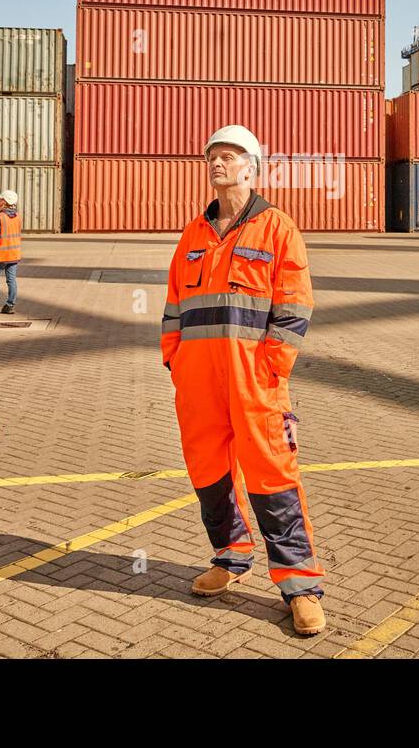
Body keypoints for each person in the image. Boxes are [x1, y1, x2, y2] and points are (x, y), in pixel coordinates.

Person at [160, 124, 326, 636]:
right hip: (198, 381)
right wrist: (175, 359)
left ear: (251, 169)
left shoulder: (277, 227)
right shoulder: (193, 234)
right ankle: (229, 557)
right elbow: (173, 305)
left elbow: (295, 303)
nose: (216, 162)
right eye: (212, 155)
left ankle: (299, 585)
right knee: (207, 471)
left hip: (254, 379)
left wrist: (272, 365)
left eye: (228, 156)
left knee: (272, 474)